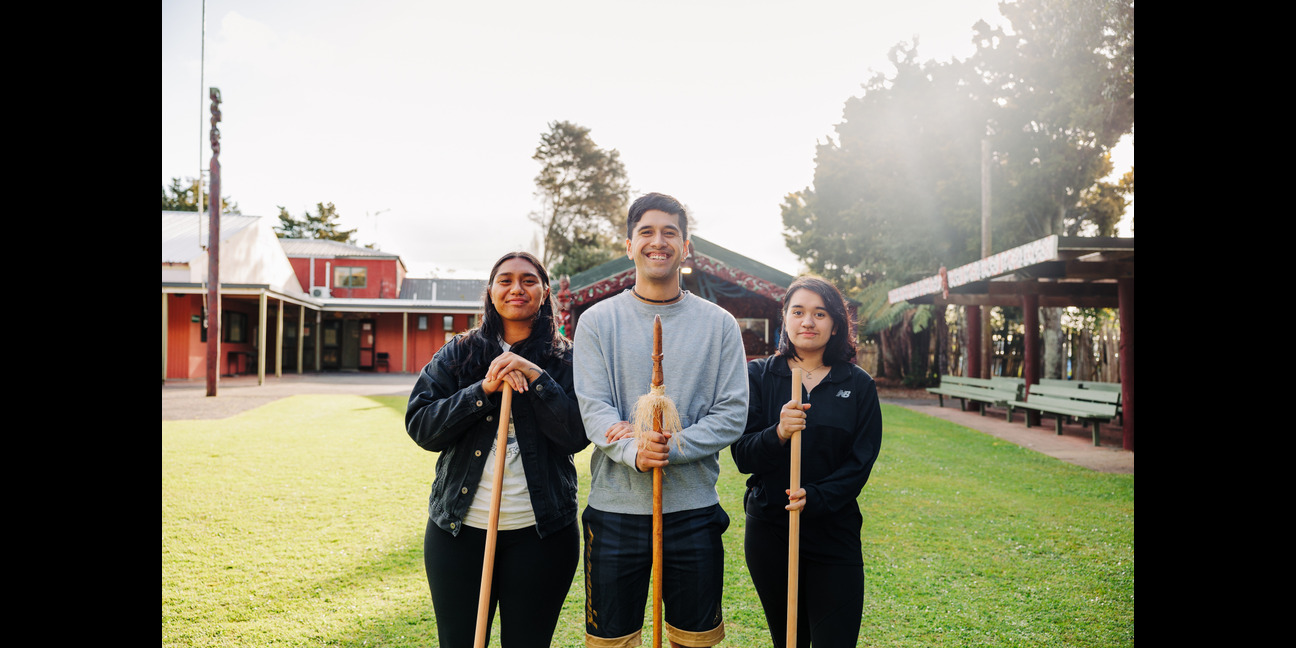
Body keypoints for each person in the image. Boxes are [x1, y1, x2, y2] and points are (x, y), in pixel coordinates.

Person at [573, 192, 748, 648]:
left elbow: (732, 413)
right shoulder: (596, 322)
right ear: (628, 245)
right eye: (646, 232)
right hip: (614, 511)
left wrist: (672, 445)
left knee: (695, 639)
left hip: (692, 510)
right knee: (614, 640)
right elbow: (595, 409)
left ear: (686, 246)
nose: (658, 242)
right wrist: (634, 450)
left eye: (670, 232)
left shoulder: (720, 325)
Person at [405, 251, 588, 648]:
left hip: (541, 535)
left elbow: (576, 436)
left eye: (528, 280)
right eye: (505, 280)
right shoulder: (459, 352)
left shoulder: (567, 359)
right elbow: (421, 426)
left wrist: (537, 378)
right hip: (458, 532)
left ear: (544, 292)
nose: (516, 288)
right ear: (490, 292)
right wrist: (482, 391)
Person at [730, 275, 883, 648]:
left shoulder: (858, 384)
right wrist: (778, 432)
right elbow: (742, 455)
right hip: (771, 530)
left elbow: (860, 462)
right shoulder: (759, 376)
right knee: (789, 641)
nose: (808, 322)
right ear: (785, 318)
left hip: (835, 532)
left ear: (835, 325)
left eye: (819, 313)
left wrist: (815, 497)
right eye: (798, 312)